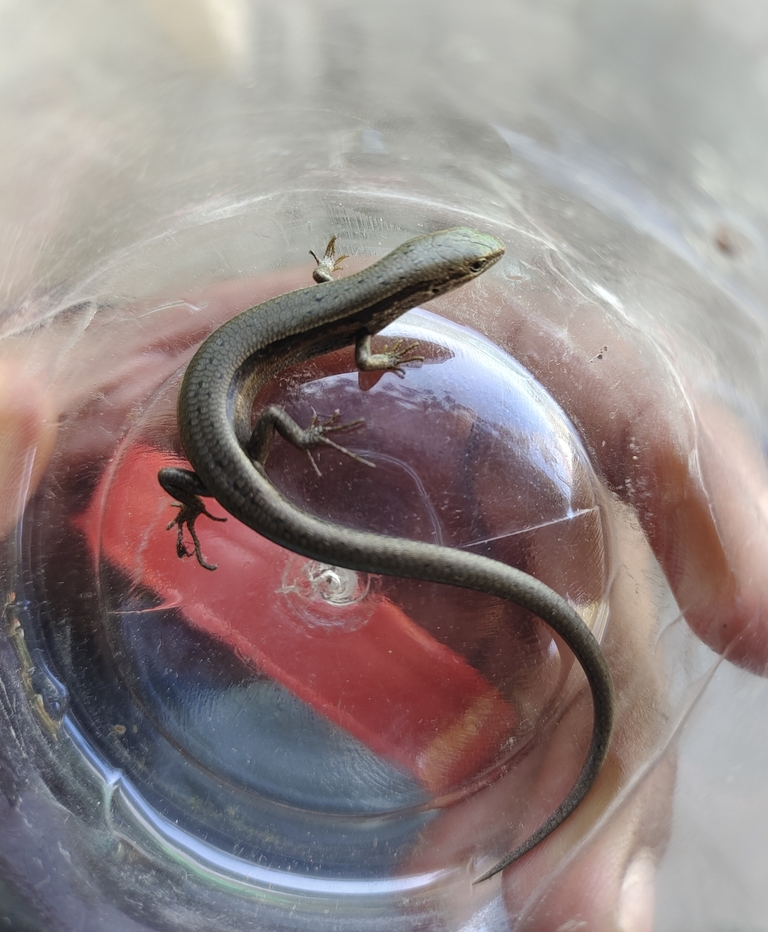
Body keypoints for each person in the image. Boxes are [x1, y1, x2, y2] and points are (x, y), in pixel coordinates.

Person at [2, 255, 766, 932]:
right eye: (457, 276)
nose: (466, 281)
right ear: (430, 284)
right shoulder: (365, 318)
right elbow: (367, 354)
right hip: (216, 446)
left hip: (211, 445)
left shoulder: (353, 300)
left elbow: (349, 331)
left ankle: (209, 495)